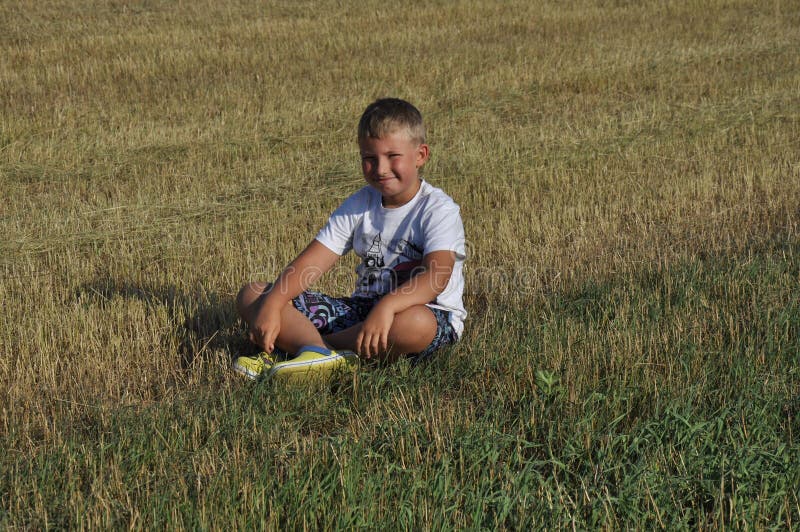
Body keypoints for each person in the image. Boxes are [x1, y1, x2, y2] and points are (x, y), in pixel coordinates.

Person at [233, 98, 466, 382]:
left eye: (393, 156)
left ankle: (311, 348)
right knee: (254, 294)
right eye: (369, 158)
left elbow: (436, 277)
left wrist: (388, 306)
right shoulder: (359, 204)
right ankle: (319, 354)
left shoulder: (438, 209)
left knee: (415, 324)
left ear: (420, 155)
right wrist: (271, 306)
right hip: (361, 312)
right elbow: (310, 265)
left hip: (422, 315)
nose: (380, 168)